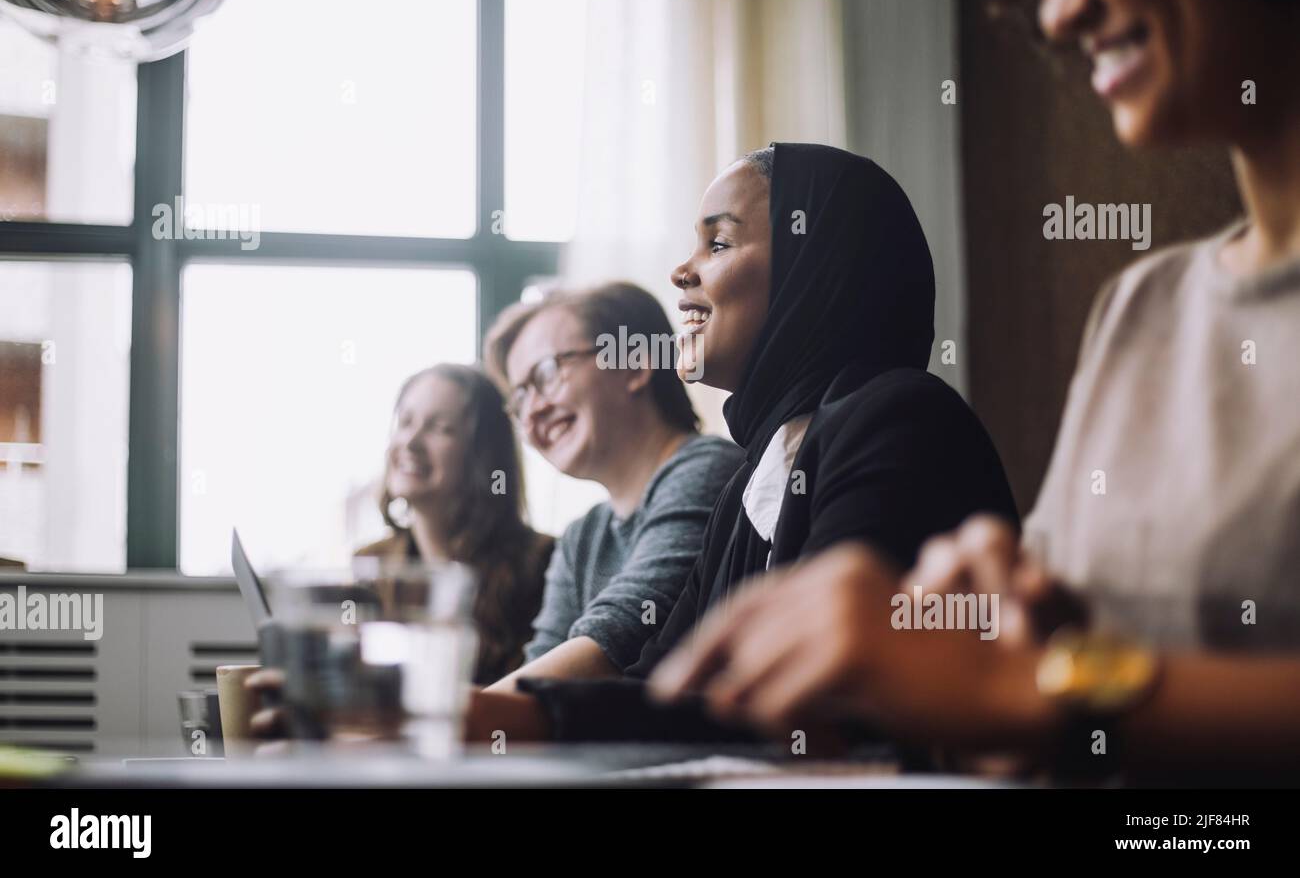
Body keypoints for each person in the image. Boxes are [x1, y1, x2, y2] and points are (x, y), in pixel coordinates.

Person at [651, 0, 1300, 781]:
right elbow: (1041, 663)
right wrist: (987, 628)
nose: (1062, 9)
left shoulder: (890, 419)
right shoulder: (1144, 308)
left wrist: (1044, 693)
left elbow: (1043, 692)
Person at [465, 143, 1019, 743]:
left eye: (719, 244)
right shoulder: (749, 484)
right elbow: (660, 683)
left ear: (817, 266)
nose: (682, 271)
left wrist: (515, 717)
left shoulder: (898, 418)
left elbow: (813, 699)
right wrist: (498, 716)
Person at [247, 363, 553, 736]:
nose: (410, 441)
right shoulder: (369, 565)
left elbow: (535, 709)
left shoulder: (542, 562)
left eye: (439, 428)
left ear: (482, 455)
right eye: (405, 422)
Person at [481, 282, 744, 689]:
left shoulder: (709, 468)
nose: (532, 411)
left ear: (635, 363)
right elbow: (539, 672)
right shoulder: (581, 537)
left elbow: (617, 639)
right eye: (519, 398)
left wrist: (450, 721)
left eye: (546, 375)